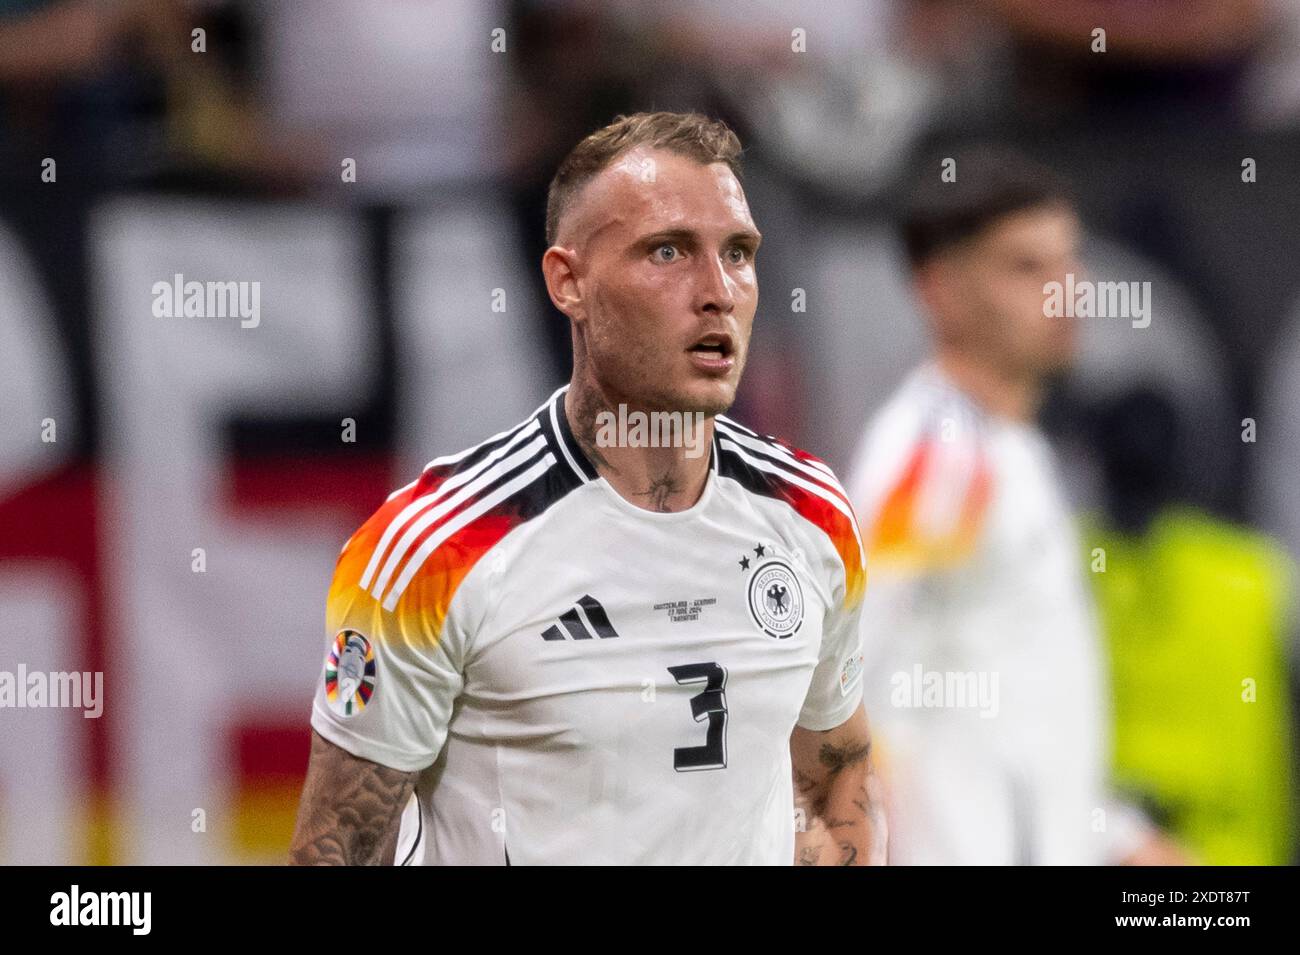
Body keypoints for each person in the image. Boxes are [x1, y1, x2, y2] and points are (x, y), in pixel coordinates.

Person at [290, 111, 884, 865]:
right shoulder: (436, 550)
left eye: (738, 253)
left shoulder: (812, 515)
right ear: (568, 282)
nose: (718, 292)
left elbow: (836, 778)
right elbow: (335, 850)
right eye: (667, 251)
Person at [846, 146, 1186, 864]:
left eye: (1070, 261)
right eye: (1027, 268)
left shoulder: (1013, 451)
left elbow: (1017, 708)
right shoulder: (937, 460)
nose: (1069, 290)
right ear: (941, 292)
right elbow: (855, 691)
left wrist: (1121, 838)